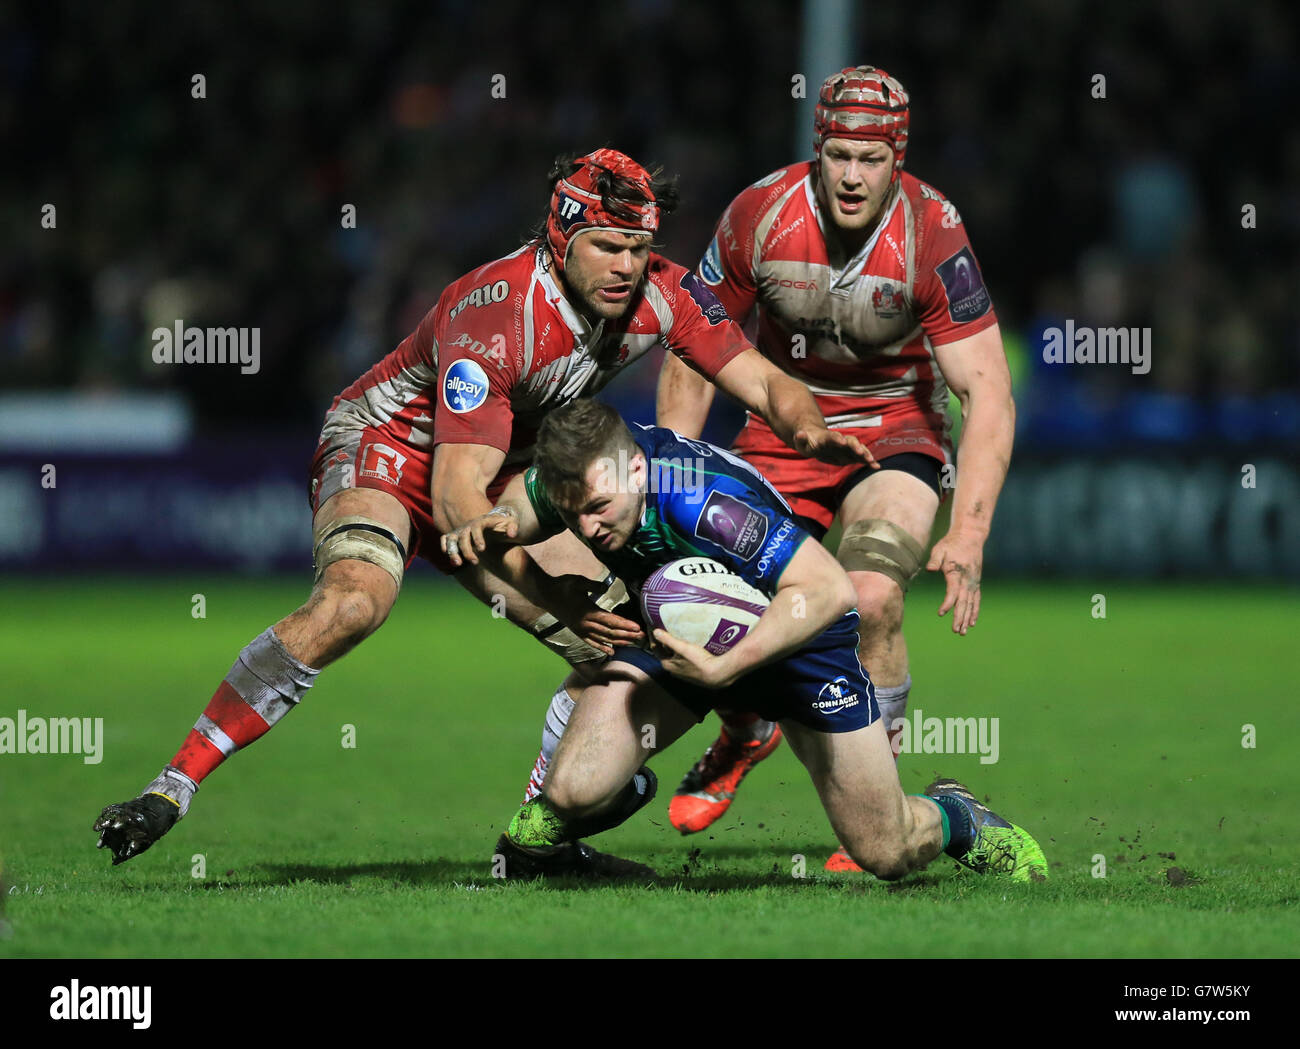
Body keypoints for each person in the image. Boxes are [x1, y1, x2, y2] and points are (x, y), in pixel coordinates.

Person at [92, 148, 873, 869]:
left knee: (626, 637)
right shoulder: (495, 311)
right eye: (607, 246)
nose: (627, 267)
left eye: (638, 249)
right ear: (559, 238)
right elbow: (458, 503)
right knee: (356, 602)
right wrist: (544, 590)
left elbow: (763, 379)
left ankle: (554, 834)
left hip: (501, 473)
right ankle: (173, 786)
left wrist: (807, 424)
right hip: (393, 451)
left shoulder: (663, 293)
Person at [647, 66, 1017, 870]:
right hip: (782, 435)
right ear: (819, 148)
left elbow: (986, 390)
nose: (852, 175)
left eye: (871, 159)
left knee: (874, 596)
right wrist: (673, 475)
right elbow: (694, 337)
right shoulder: (760, 213)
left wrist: (972, 531)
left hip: (896, 434)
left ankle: (876, 803)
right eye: (839, 154)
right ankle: (745, 732)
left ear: (897, 160)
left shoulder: (933, 231)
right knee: (724, 598)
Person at [443, 400, 1046, 883]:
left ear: (635, 468)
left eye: (600, 510)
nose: (589, 529)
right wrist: (497, 524)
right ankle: (572, 844)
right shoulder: (583, 480)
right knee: (571, 791)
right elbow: (521, 506)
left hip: (801, 642)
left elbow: (831, 590)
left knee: (883, 851)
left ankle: (956, 815)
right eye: (575, 517)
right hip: (681, 634)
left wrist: (727, 668)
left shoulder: (703, 501)